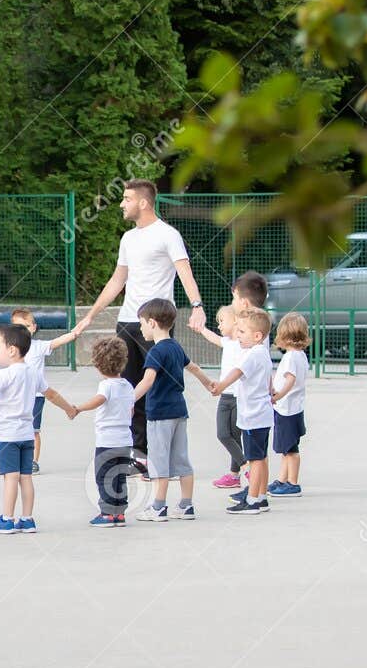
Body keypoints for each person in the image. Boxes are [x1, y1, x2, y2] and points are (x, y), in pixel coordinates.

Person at [72, 180, 208, 457]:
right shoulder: (128, 239)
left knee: (155, 387)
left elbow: (185, 273)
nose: (121, 204)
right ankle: (138, 452)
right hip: (127, 321)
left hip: (156, 322)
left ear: (143, 203)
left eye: (127, 199)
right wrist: (90, 316)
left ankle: (160, 452)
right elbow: (117, 280)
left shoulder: (168, 235)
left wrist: (197, 306)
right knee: (128, 387)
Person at [0, 323, 74, 534]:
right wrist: (69, 409)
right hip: (27, 435)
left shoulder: (4, 374)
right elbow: (52, 394)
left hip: (7, 435)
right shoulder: (33, 373)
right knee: (25, 477)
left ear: (11, 350)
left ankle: (7, 519)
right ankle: (27, 519)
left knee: (10, 477)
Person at [0, 307, 79, 473]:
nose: (23, 330)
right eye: (19, 326)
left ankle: (33, 461)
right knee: (20, 432)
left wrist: (74, 333)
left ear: (34, 328)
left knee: (34, 430)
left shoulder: (39, 346)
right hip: (14, 396)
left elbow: (57, 341)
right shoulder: (8, 353)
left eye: (26, 326)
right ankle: (19, 460)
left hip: (35, 396)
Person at [130, 298, 215, 522]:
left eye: (142, 323)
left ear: (152, 323)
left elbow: (147, 381)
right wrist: (209, 384)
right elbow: (193, 367)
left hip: (160, 414)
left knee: (159, 461)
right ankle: (186, 505)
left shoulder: (155, 352)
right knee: (181, 459)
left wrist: (128, 401)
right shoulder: (175, 347)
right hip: (179, 412)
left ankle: (158, 506)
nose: (140, 328)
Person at [67, 336, 137, 527]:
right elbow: (130, 410)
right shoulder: (128, 385)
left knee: (104, 477)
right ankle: (119, 513)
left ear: (98, 366)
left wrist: (79, 408)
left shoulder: (106, 386)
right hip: (125, 441)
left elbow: (99, 399)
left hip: (107, 441)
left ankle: (107, 513)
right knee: (119, 477)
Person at [213, 308, 275, 515]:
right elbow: (268, 380)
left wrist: (220, 386)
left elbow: (237, 372)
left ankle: (252, 500)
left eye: (241, 332)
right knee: (261, 458)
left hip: (252, 417)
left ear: (257, 336)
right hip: (263, 415)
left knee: (254, 460)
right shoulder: (263, 353)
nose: (237, 335)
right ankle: (262, 496)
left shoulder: (251, 355)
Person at [195, 306, 246, 490]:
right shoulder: (227, 342)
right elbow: (214, 338)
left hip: (239, 396)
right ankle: (245, 466)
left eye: (222, 321)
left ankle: (235, 474)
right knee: (223, 434)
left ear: (235, 321)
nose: (219, 325)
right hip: (225, 396)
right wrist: (201, 329)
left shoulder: (243, 344)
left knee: (235, 436)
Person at [269, 313, 310, 498]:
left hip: (287, 409)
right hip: (293, 408)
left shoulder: (291, 357)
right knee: (286, 449)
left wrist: (277, 396)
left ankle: (293, 484)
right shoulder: (300, 355)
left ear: (284, 335)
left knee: (291, 450)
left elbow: (290, 380)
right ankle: (282, 480)